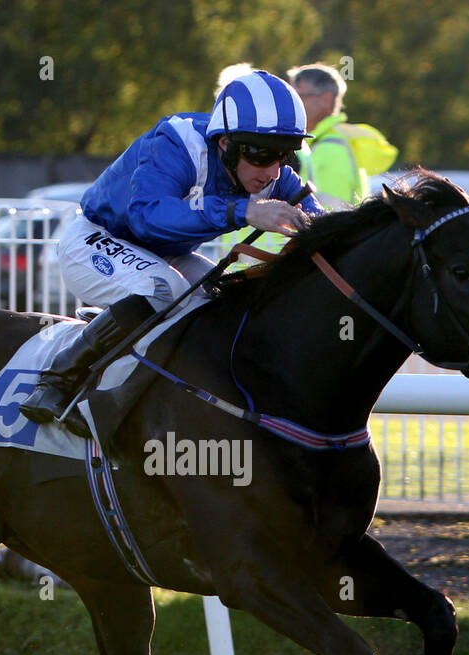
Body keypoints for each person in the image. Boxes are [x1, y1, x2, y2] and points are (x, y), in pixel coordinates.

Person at [20, 70, 324, 433]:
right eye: (261, 154)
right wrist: (243, 211)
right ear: (226, 143)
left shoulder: (273, 174)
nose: (273, 171)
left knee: (220, 300)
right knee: (163, 289)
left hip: (162, 255)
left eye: (284, 155)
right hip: (95, 239)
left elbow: (323, 224)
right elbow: (147, 216)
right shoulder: (177, 143)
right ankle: (57, 380)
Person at [287, 63, 397, 211]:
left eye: (300, 95)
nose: (293, 101)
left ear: (326, 99)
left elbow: (328, 215)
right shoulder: (325, 143)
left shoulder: (330, 149)